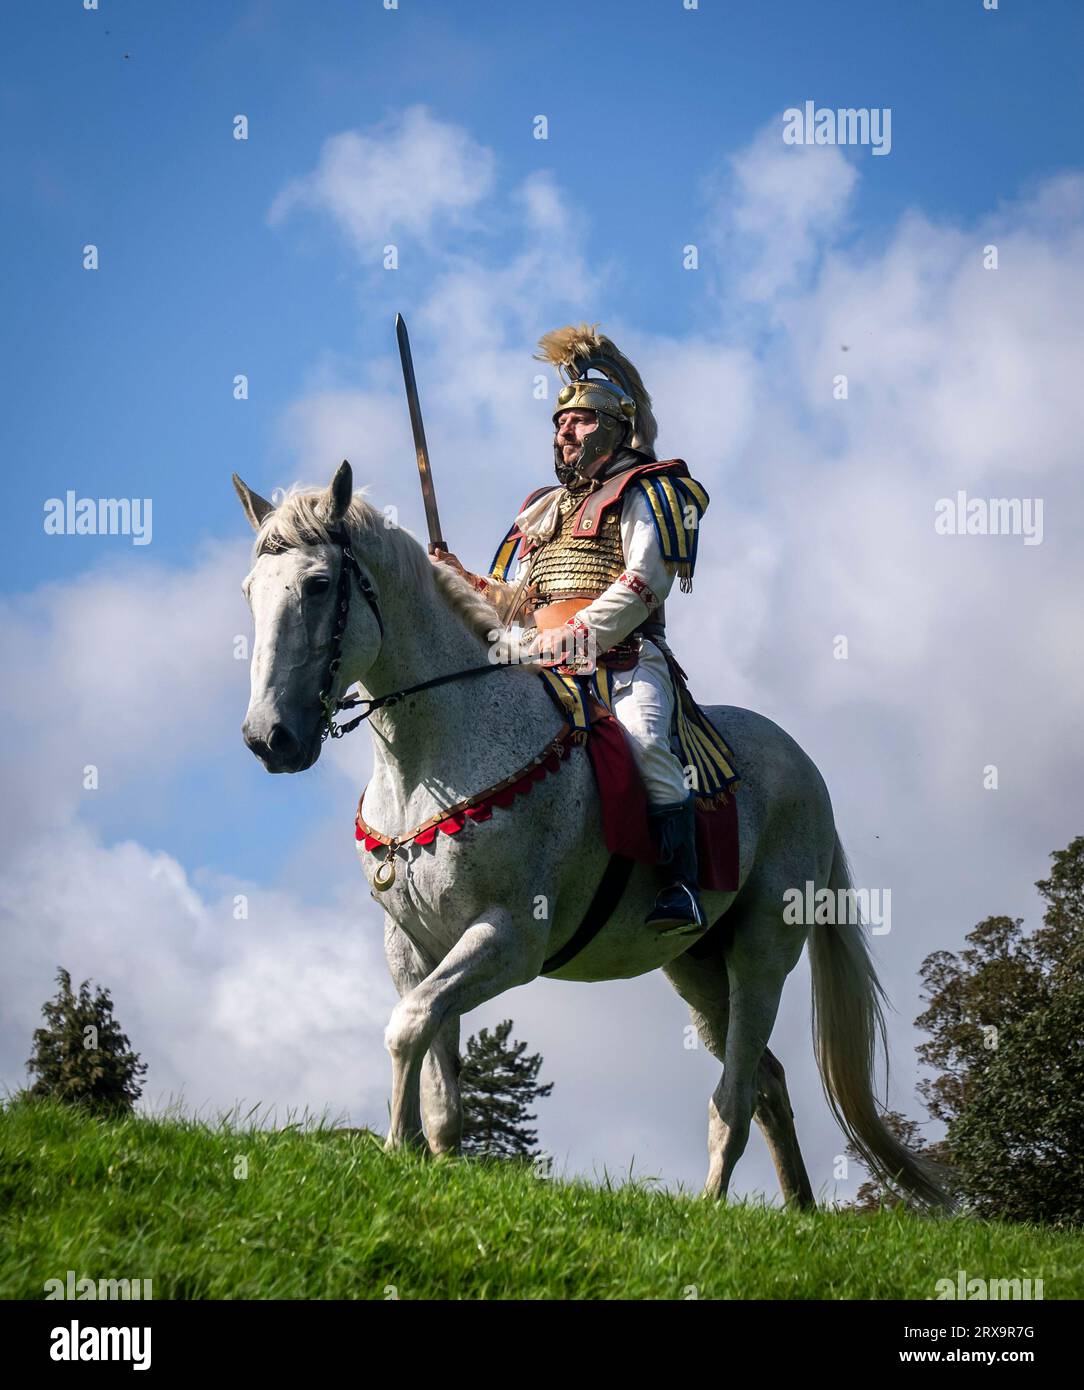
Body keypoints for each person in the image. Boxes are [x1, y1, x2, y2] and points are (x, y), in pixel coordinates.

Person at [432, 325, 715, 935]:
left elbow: (646, 581)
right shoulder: (543, 509)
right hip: (537, 652)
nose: (564, 433)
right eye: (559, 425)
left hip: (624, 657)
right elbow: (515, 601)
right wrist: (461, 581)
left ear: (614, 427)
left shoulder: (649, 487)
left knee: (647, 745)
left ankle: (680, 886)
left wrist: (581, 631)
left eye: (580, 422)